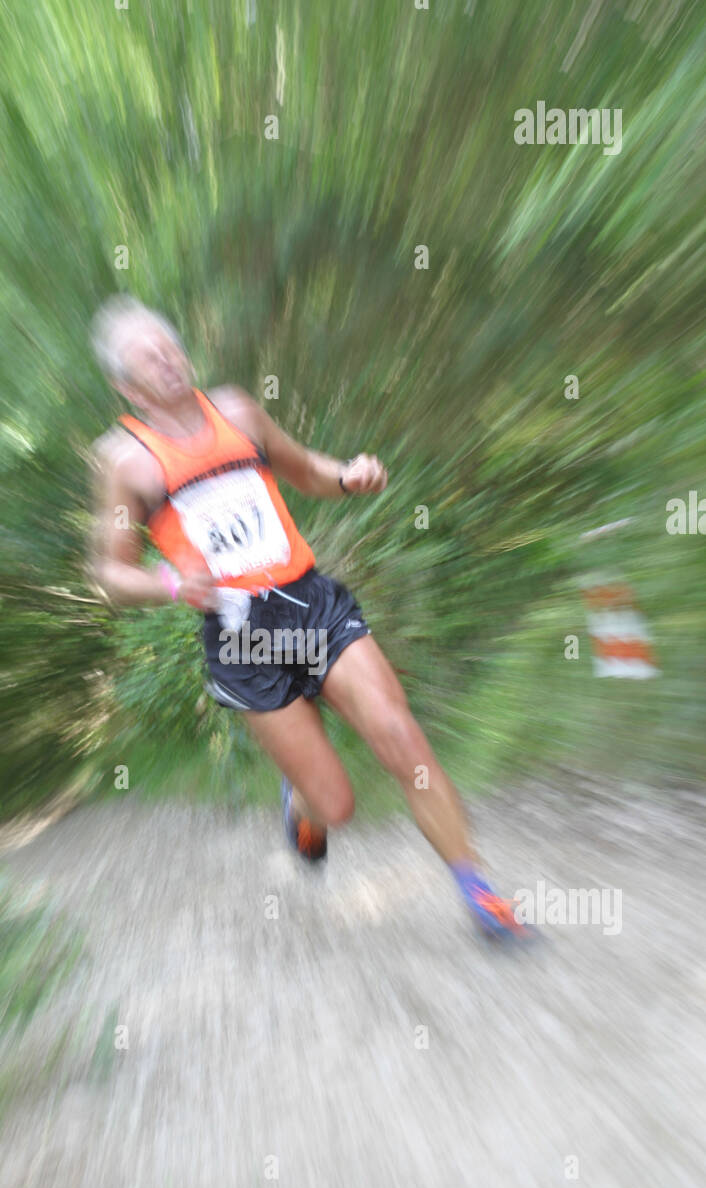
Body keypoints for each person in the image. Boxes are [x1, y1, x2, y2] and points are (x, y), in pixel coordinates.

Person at [88, 295, 532, 942]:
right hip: (243, 641)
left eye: (168, 345)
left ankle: (480, 894)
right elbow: (108, 574)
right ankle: (302, 803)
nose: (166, 359)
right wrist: (168, 582)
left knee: (399, 736)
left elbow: (306, 470)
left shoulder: (237, 409)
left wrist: (348, 475)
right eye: (146, 357)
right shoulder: (122, 462)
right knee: (338, 806)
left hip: (310, 602)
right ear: (125, 384)